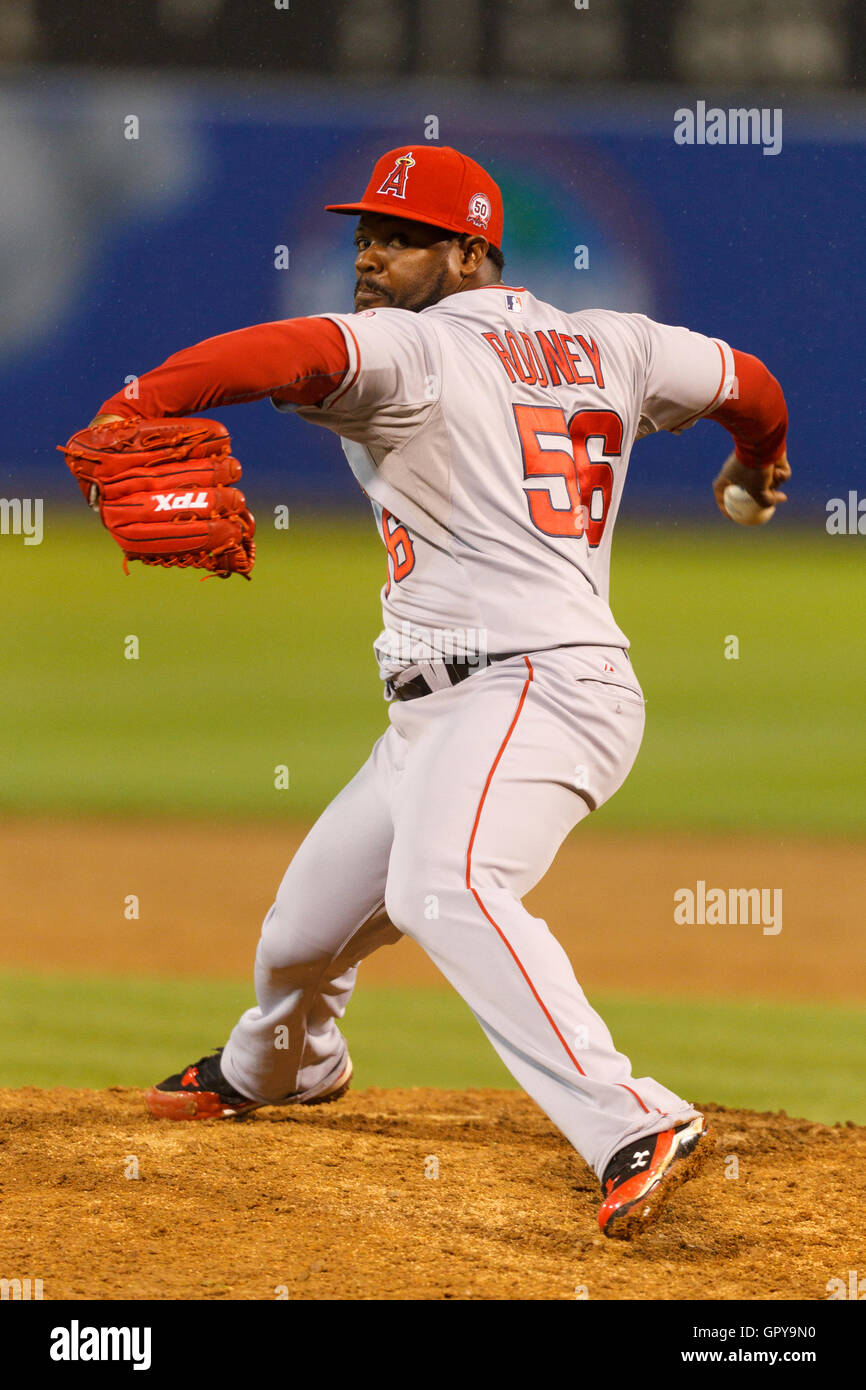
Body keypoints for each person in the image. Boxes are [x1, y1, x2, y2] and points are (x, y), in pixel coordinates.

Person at [90, 145, 789, 1240]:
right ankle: (283, 1067)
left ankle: (631, 1118)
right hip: (444, 714)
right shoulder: (615, 341)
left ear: (469, 254)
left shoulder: (411, 347)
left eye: (402, 238)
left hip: (537, 686)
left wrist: (137, 403)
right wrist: (754, 462)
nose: (370, 256)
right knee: (301, 938)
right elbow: (748, 383)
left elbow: (279, 350)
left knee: (447, 885)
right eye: (366, 234)